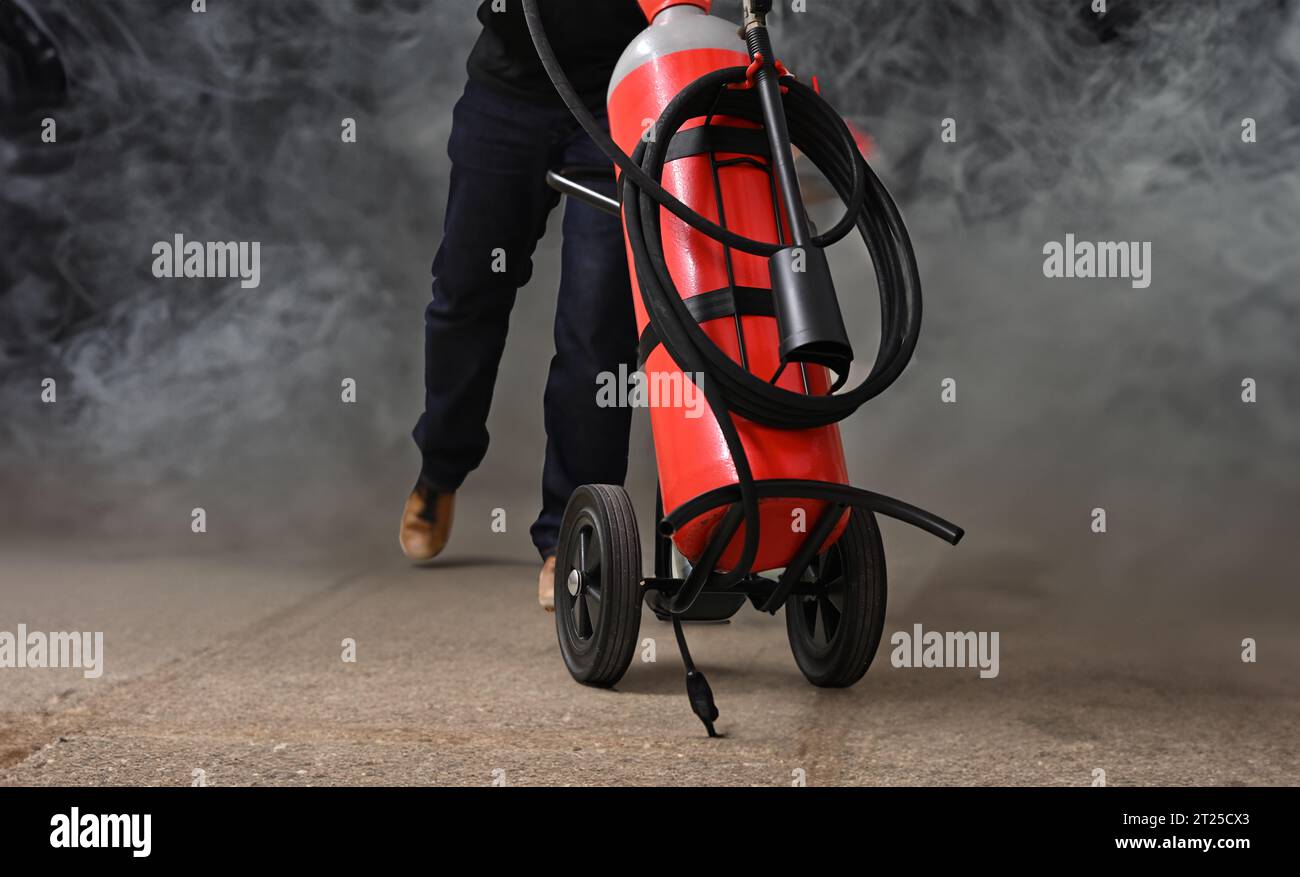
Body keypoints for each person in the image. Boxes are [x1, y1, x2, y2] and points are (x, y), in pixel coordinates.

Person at [400, 0, 648, 611]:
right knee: (465, 296)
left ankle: (572, 535)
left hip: (620, 103)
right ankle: (441, 465)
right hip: (508, 97)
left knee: (598, 329)